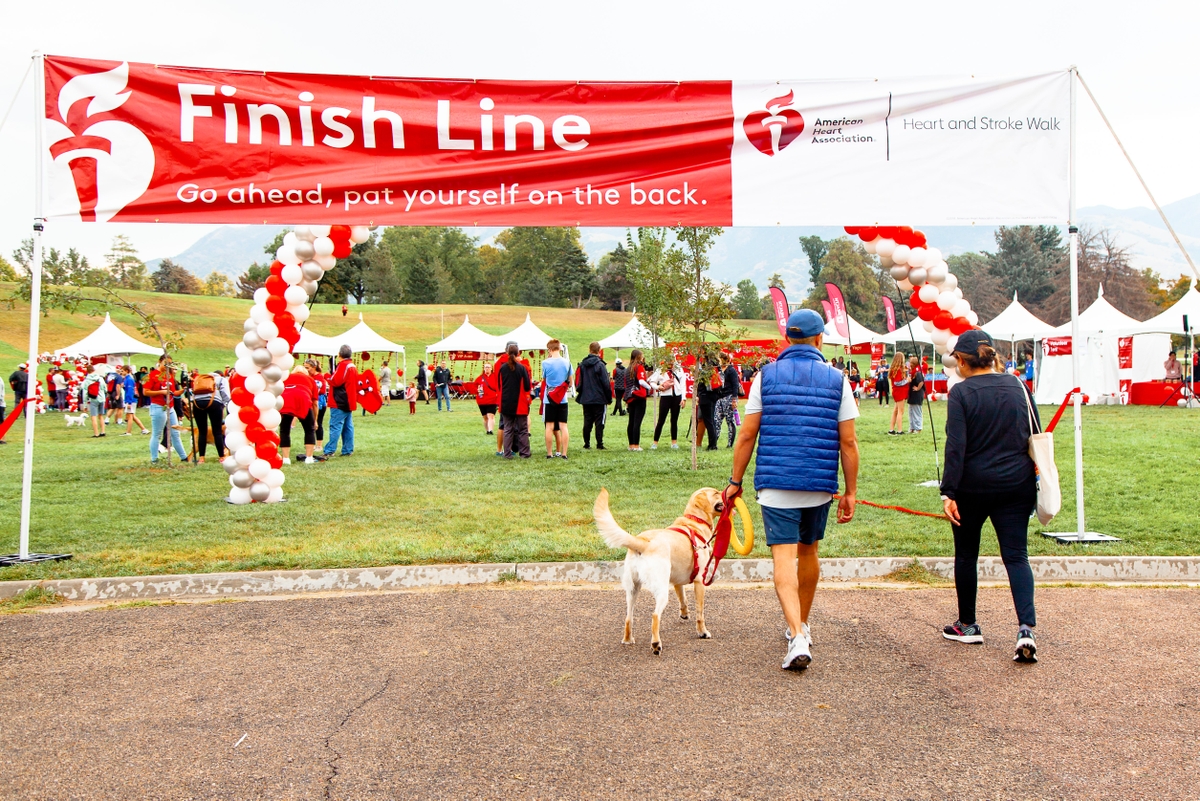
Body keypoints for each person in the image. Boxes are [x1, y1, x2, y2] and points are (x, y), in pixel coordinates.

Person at [724, 309, 859, 672]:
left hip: (775, 484)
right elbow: (848, 443)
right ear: (819, 340)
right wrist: (851, 491)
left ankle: (796, 632)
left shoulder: (764, 377)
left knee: (783, 558)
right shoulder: (838, 379)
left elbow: (747, 434)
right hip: (818, 485)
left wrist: (735, 482)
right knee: (809, 551)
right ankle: (801, 626)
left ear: (788, 340)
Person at [940, 329, 1040, 664]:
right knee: (1016, 556)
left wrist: (948, 492)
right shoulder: (1019, 387)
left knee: (967, 554)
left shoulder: (961, 394)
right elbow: (1035, 430)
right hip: (1017, 483)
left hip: (972, 485)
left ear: (964, 361)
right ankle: (1026, 627)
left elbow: (956, 447)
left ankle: (967, 624)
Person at [144, 354, 187, 465]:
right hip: (158, 406)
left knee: (175, 432)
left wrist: (182, 391)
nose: (167, 366)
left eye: (169, 364)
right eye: (165, 363)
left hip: (170, 407)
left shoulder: (170, 375)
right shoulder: (152, 375)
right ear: (160, 361)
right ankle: (154, 458)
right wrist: (161, 392)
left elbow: (174, 393)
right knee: (157, 434)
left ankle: (184, 457)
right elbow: (146, 392)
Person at [280, 364, 321, 465]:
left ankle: (286, 459)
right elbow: (315, 403)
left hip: (286, 401)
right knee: (309, 430)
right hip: (303, 400)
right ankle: (309, 457)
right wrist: (314, 420)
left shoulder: (286, 378)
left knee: (284, 431)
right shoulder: (310, 380)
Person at [497, 341, 532, 459]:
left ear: (507, 352)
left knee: (507, 429)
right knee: (522, 429)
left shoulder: (502, 368)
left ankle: (507, 453)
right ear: (518, 353)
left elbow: (499, 385)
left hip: (506, 402)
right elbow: (527, 386)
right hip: (520, 402)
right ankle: (524, 453)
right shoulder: (522, 368)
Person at [575, 342, 612, 450]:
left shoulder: (582, 364)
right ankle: (599, 443)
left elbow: (579, 382)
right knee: (599, 422)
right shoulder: (600, 365)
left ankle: (587, 443)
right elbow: (606, 383)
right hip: (599, 398)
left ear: (589, 350)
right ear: (599, 350)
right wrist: (608, 398)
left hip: (586, 397)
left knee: (587, 421)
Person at [323, 345, 358, 458]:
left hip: (340, 400)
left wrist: (327, 376)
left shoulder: (344, 365)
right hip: (349, 400)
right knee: (348, 426)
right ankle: (347, 449)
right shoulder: (352, 366)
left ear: (340, 354)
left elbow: (336, 381)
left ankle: (330, 450)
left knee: (335, 425)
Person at [540, 339, 572, 459]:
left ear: (549, 349)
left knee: (549, 426)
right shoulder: (567, 363)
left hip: (550, 398)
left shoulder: (545, 363)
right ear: (559, 348)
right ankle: (564, 453)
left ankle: (549, 453)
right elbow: (570, 382)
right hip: (562, 398)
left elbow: (545, 379)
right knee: (563, 426)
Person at [189, 368, 225, 462]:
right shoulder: (221, 379)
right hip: (214, 403)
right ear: (220, 374)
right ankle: (221, 457)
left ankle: (201, 458)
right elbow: (226, 394)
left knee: (202, 431)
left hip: (197, 403)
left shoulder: (200, 378)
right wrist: (223, 405)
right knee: (217, 431)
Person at [650, 358, 685, 450]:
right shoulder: (661, 370)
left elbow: (683, 384)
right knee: (661, 420)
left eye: (672, 361)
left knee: (674, 420)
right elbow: (652, 381)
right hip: (665, 396)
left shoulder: (679, 369)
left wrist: (683, 398)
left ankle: (674, 442)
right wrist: (658, 387)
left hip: (676, 396)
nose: (670, 363)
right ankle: (655, 442)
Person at [713, 352, 742, 448]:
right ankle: (714, 442)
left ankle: (730, 444)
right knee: (716, 420)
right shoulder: (718, 370)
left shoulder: (731, 370)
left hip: (729, 397)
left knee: (730, 421)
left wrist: (734, 400)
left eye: (719, 360)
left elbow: (735, 385)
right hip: (719, 398)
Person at [625, 349, 650, 451]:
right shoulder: (639, 367)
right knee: (637, 422)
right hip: (639, 396)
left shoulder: (628, 368)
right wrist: (649, 387)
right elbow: (641, 381)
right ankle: (636, 445)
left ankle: (631, 445)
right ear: (639, 356)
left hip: (630, 397)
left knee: (631, 421)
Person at [694, 356, 721, 451]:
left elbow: (703, 386)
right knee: (711, 421)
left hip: (706, 397)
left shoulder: (706, 372)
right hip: (712, 397)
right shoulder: (715, 371)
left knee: (708, 421)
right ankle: (712, 443)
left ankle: (712, 445)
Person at [82, 364, 108, 438]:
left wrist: (85, 405)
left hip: (94, 399)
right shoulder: (100, 378)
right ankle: (103, 432)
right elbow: (105, 388)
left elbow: (85, 393)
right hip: (102, 398)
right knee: (101, 416)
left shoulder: (86, 380)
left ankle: (96, 433)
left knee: (94, 416)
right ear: (94, 370)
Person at [475, 361, 499, 437]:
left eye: (488, 367)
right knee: (485, 417)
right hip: (482, 400)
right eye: (486, 367)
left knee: (490, 415)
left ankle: (490, 430)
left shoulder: (496, 377)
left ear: (491, 368)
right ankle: (487, 430)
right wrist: (477, 390)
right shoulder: (480, 378)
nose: (487, 369)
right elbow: (474, 387)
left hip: (493, 400)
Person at [888, 353, 909, 434]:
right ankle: (899, 430)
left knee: (896, 410)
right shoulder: (898, 370)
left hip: (896, 391)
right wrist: (907, 380)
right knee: (900, 411)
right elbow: (898, 382)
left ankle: (891, 429)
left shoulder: (893, 369)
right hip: (900, 391)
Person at [311, 362, 329, 453]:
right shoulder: (309, 377)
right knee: (311, 423)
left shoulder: (319, 377)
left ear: (314, 367)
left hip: (319, 402)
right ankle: (312, 443)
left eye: (308, 367)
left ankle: (319, 445)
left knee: (318, 422)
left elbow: (319, 390)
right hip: (311, 401)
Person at [907, 357, 925, 434]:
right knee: (911, 411)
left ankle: (918, 428)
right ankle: (912, 427)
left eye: (910, 362)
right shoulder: (912, 372)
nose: (909, 363)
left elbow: (921, 382)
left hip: (917, 394)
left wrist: (918, 388)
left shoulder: (918, 372)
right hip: (912, 394)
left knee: (917, 411)